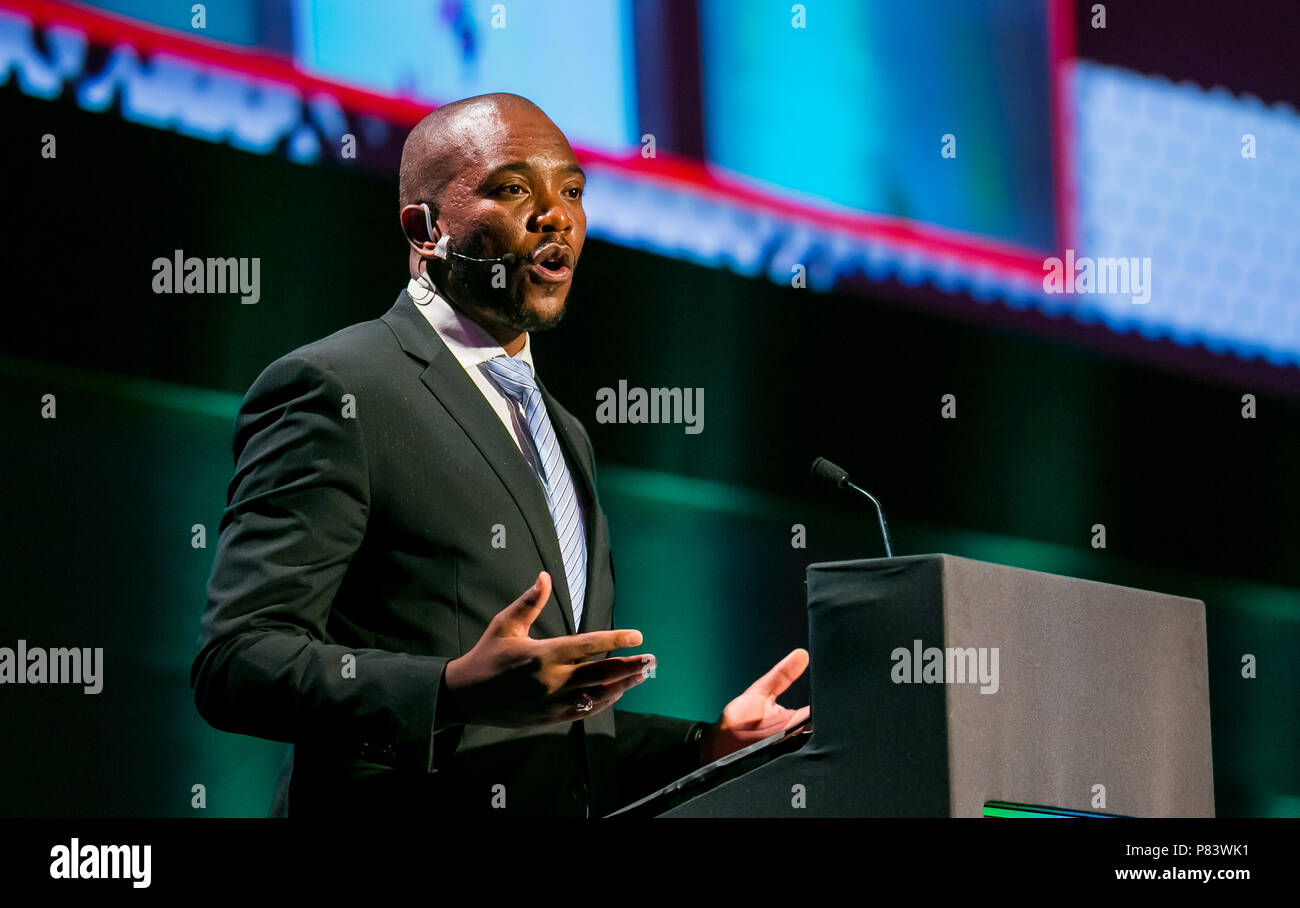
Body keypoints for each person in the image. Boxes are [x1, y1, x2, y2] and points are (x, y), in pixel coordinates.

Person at [191, 92, 809, 818]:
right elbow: (235, 663)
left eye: (572, 191)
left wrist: (705, 745)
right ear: (425, 230)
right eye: (514, 189)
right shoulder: (339, 387)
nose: (557, 216)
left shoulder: (562, 428)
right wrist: (448, 689)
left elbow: (551, 722)